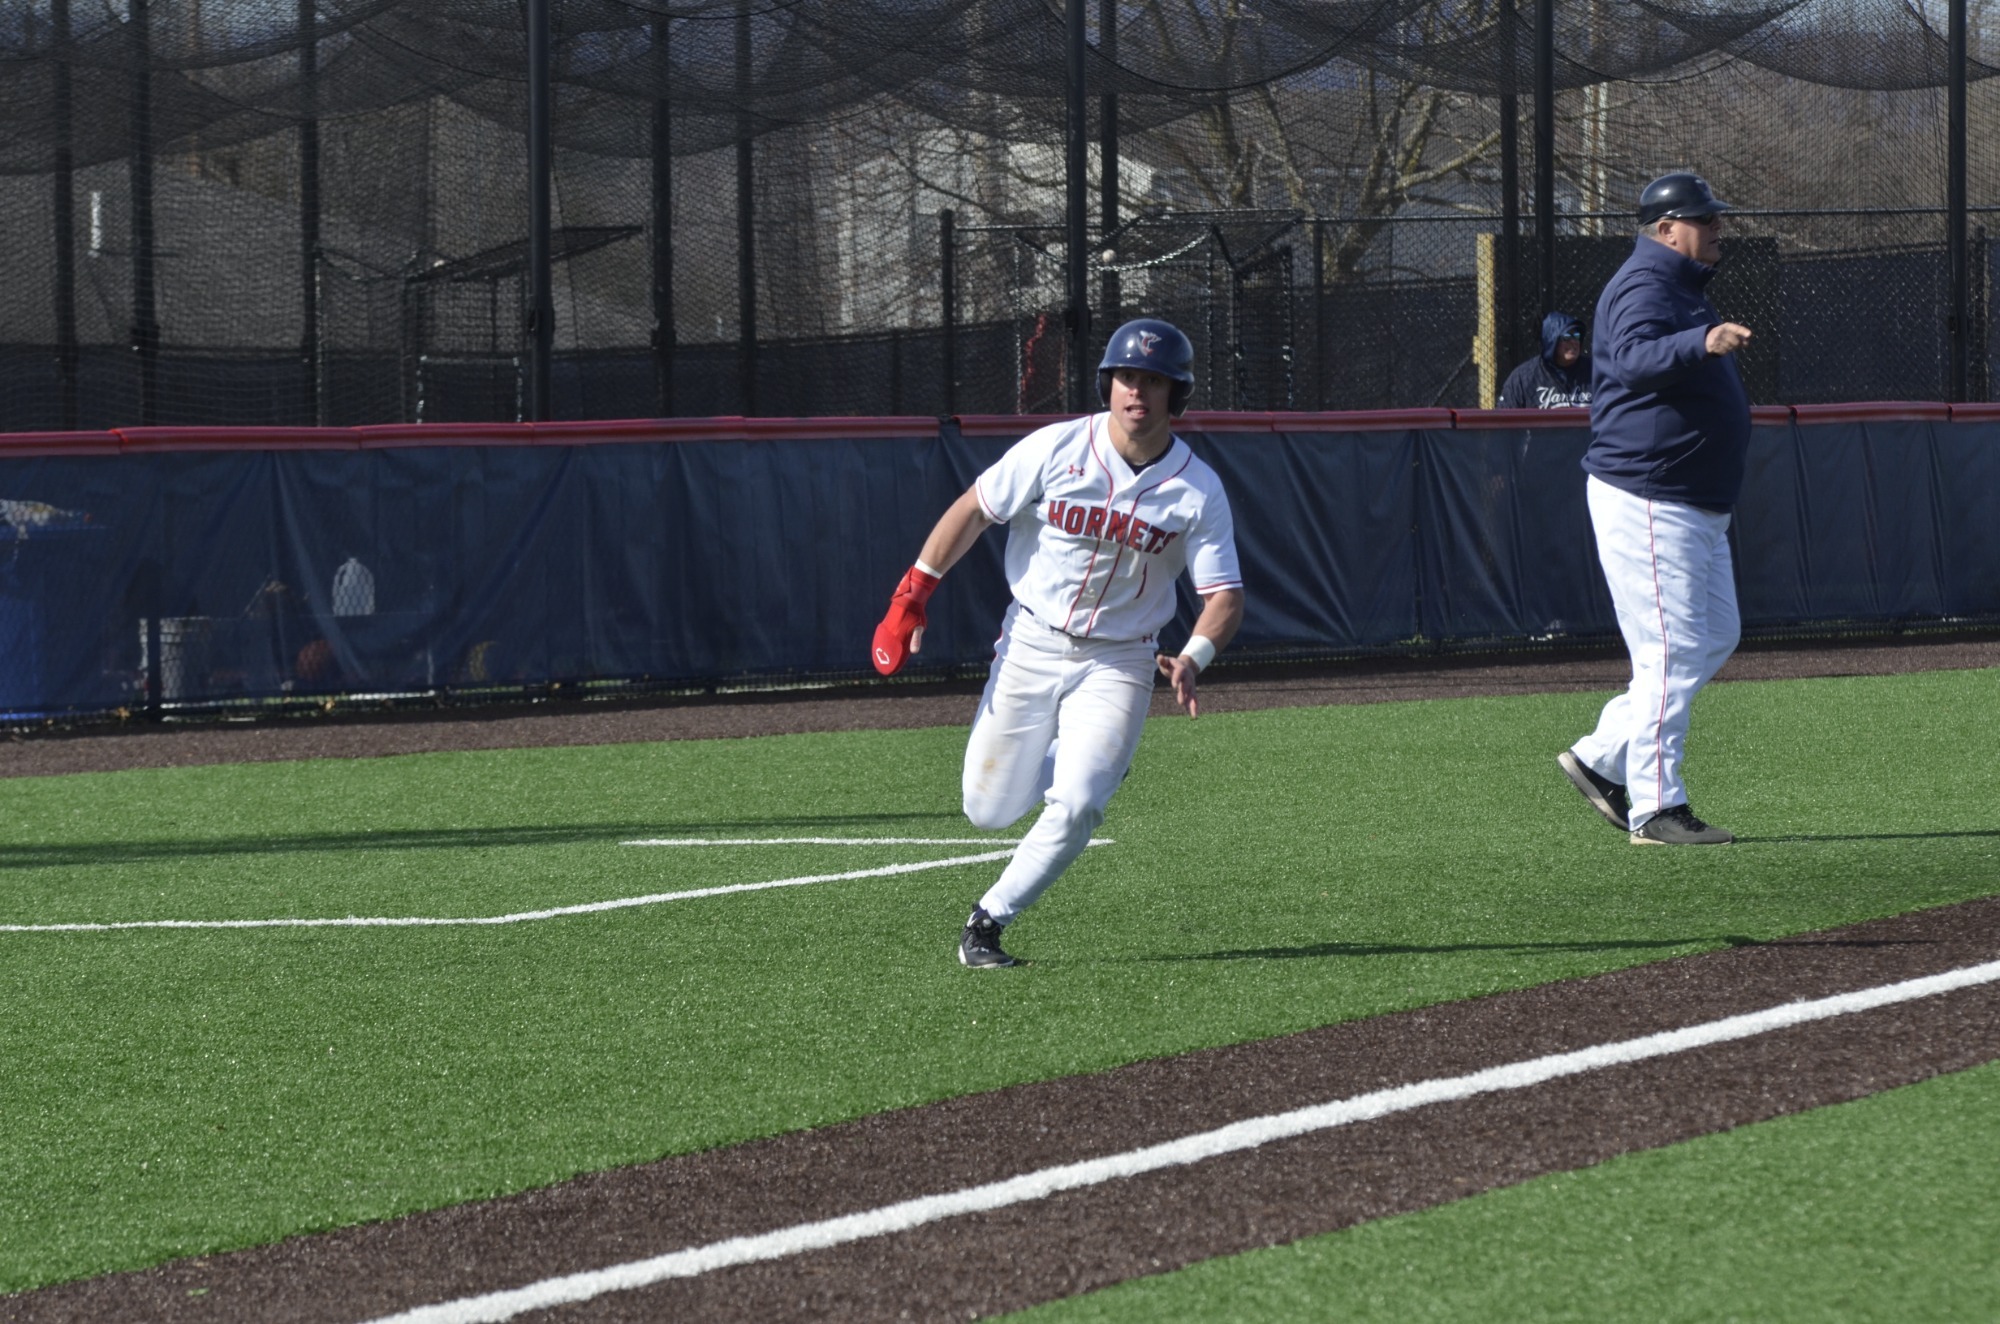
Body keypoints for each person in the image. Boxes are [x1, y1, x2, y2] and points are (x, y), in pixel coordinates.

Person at [871, 318, 1245, 966]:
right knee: (987, 810)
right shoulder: (1057, 447)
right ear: (1108, 383)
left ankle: (987, 923)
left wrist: (1194, 656)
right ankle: (1092, 757)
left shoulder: (1197, 488)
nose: (1138, 391)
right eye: (1127, 376)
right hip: (1031, 642)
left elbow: (1225, 597)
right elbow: (974, 508)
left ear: (1176, 393)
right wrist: (912, 595)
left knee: (1078, 803)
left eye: (1154, 381)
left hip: (1120, 658)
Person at [1557, 171, 1753, 846]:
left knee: (1713, 636)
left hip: (1689, 499)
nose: (1718, 226)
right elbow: (1634, 360)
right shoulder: (1645, 283)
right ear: (1667, 229)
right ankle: (1656, 807)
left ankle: (1601, 756)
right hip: (1649, 494)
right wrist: (1701, 342)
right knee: (1672, 650)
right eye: (1705, 218)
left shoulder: (1679, 286)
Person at [1497, 311, 1592, 409]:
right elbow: (1504, 414)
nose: (1573, 342)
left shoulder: (1593, 371)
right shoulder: (1523, 377)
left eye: (1576, 336)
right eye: (1567, 337)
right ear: (1552, 341)